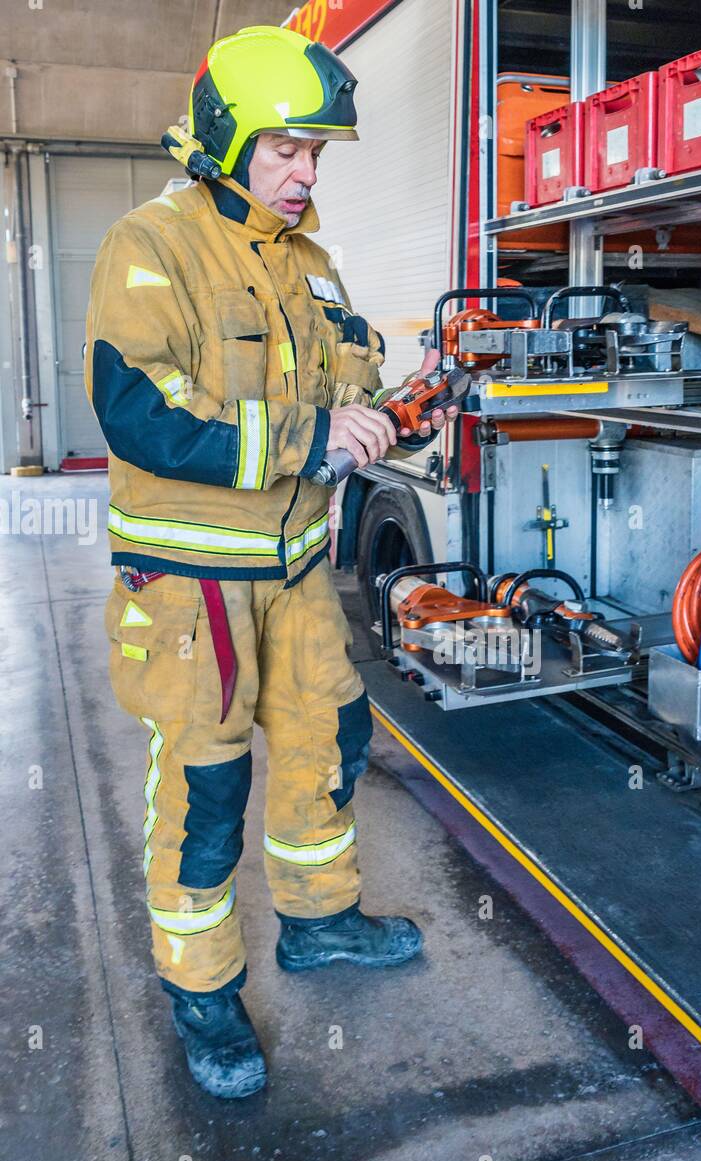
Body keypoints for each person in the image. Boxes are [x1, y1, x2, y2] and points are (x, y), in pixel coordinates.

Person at [84, 26, 458, 1099]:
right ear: (226, 136)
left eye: (317, 155)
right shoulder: (150, 245)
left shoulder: (311, 265)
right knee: (207, 787)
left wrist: (401, 410)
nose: (304, 174)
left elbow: (346, 389)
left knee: (324, 739)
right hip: (192, 582)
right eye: (286, 150)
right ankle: (202, 989)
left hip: (294, 572)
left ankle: (318, 921)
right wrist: (308, 439)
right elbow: (141, 414)